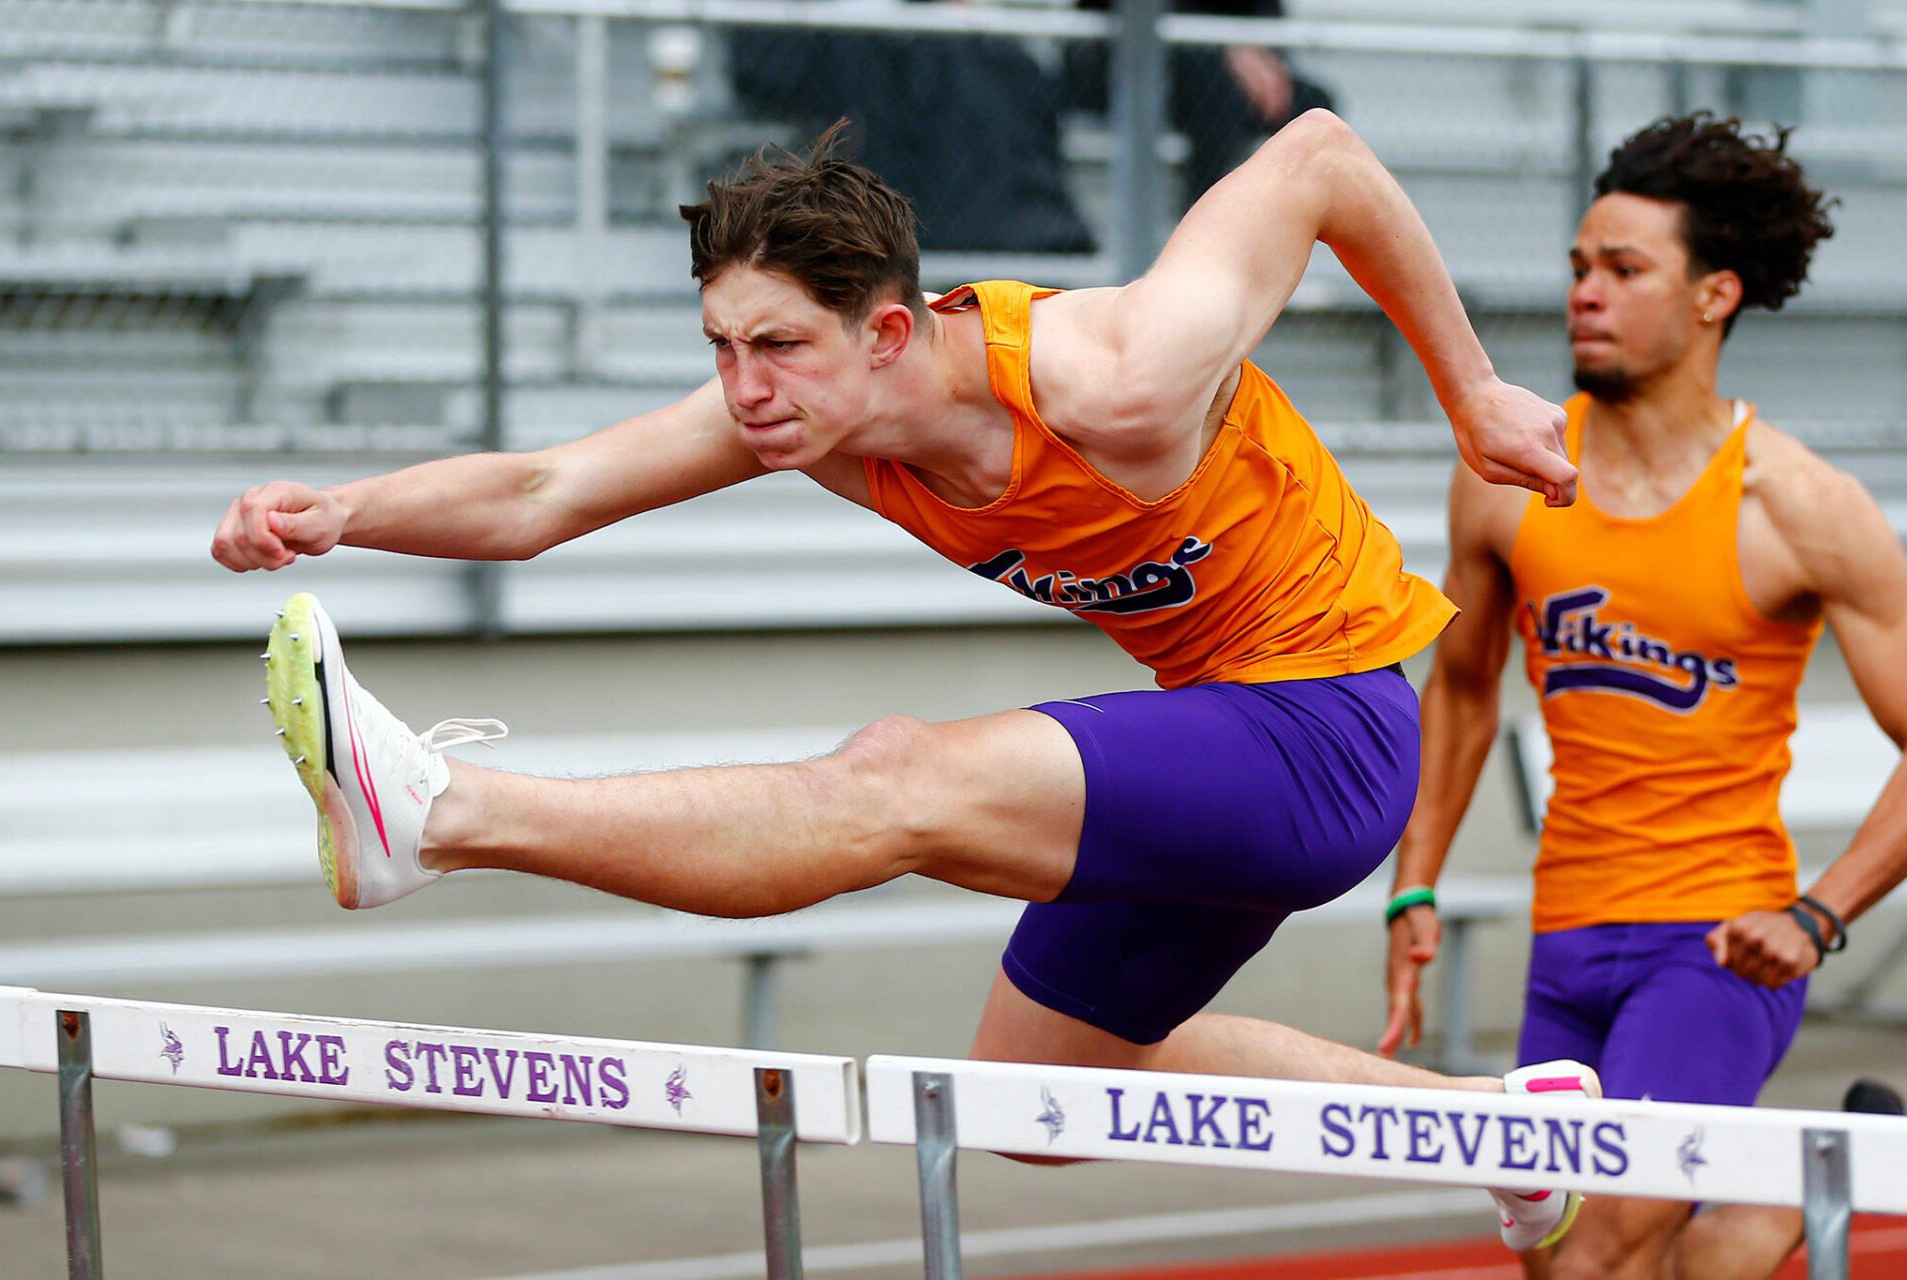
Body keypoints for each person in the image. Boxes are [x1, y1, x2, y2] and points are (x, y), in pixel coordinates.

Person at [215, 114, 1590, 1246]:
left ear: (886, 333)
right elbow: (539, 489)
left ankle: (444, 817)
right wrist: (341, 509)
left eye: (777, 348)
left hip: (1326, 730)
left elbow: (1325, 157)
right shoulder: (805, 419)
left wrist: (1469, 395)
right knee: (1033, 1100)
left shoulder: (1117, 378)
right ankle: (1492, 1131)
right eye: (721, 349)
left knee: (897, 776)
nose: (744, 390)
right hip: (1215, 745)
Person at [1378, 113, 1907, 1278]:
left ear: (1715, 295)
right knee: (1603, 1265)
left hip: (1716, 945)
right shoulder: (1513, 476)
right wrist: (1412, 876)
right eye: (1577, 268)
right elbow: (1462, 688)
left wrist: (1819, 915)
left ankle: (1822, 1160)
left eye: (1624, 271)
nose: (1585, 295)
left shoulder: (1799, 506)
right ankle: (1834, 1160)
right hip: (1565, 937)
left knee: (1596, 1254)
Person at [731, 3, 1097, 255]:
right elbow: (762, 73)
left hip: (1000, 239)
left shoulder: (1001, 56)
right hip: (942, 236)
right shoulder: (853, 47)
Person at [1066, 0, 1335, 212]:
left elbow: (1266, 16)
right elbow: (1143, 13)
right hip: (1119, 65)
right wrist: (1226, 48)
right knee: (1215, 90)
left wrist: (1261, 58)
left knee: (1314, 108)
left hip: (1218, 75)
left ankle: (1275, 221)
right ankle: (1203, 222)